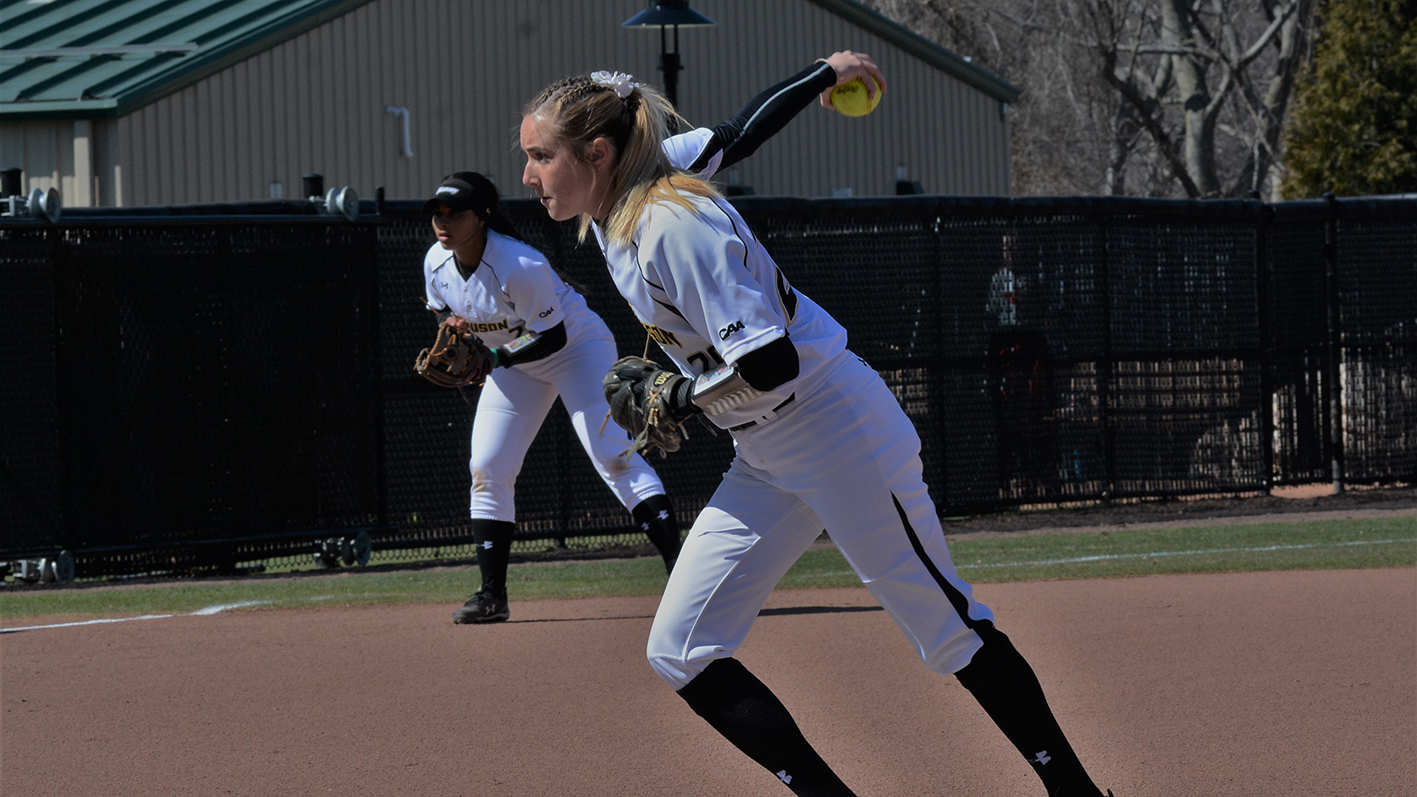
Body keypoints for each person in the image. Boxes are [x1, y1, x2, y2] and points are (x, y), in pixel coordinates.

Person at [517, 56, 1113, 796]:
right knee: (680, 649)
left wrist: (678, 398)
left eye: (540, 155)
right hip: (763, 450)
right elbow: (738, 132)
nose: (528, 174)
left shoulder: (672, 225)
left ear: (596, 154)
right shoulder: (634, 177)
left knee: (948, 629)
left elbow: (771, 360)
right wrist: (821, 73)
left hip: (835, 426)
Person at [421, 172, 683, 624]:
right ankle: (491, 596)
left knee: (613, 457)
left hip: (575, 351)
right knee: (488, 466)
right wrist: (457, 336)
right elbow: (447, 314)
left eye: (456, 212)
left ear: (483, 216)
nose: (443, 222)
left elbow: (554, 335)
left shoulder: (518, 264)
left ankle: (684, 578)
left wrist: (495, 358)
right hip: (514, 363)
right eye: (437, 213)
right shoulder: (436, 263)